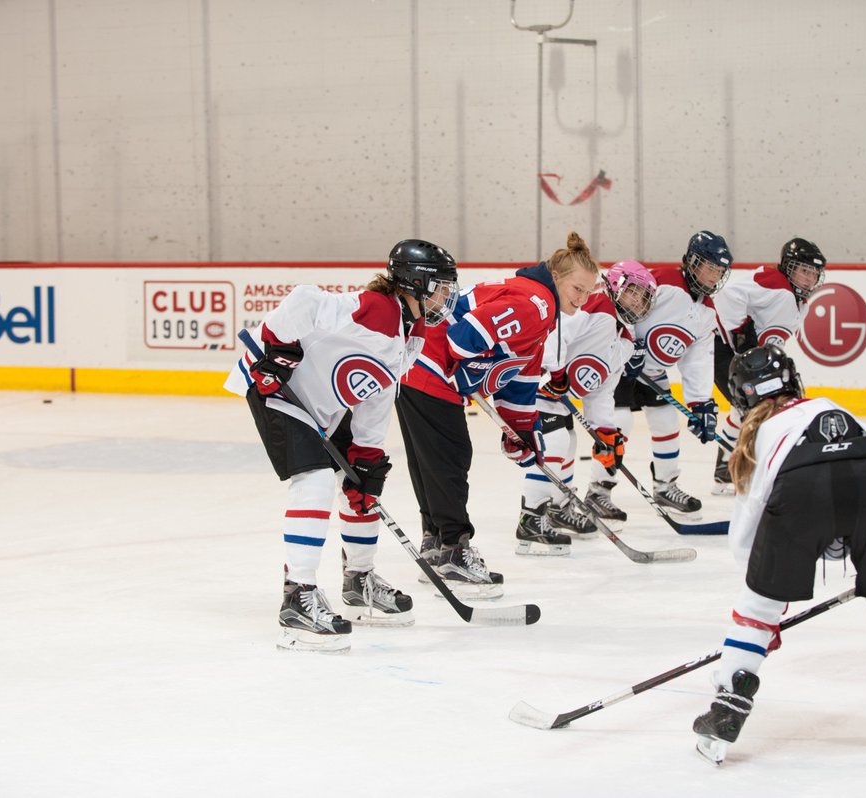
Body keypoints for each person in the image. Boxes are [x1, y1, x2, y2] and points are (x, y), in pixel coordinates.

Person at [692, 344, 866, 764]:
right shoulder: (834, 408)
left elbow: (746, 528)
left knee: (757, 605)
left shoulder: (760, 436)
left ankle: (728, 708)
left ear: (741, 396)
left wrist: (765, 607)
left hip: (801, 493)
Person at [224, 239, 459, 653]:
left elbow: (376, 393)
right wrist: (276, 349)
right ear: (415, 282)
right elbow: (303, 300)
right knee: (314, 480)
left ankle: (359, 580)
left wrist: (366, 454)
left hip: (324, 405)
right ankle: (298, 597)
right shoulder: (376, 309)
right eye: (440, 286)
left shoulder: (412, 333)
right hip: (277, 389)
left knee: (363, 481)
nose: (446, 296)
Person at [396, 231, 600, 593]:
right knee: (450, 460)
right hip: (430, 371)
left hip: (416, 369)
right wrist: (469, 366)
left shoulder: (543, 311)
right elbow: (464, 338)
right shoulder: (536, 303)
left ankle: (436, 542)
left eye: (588, 292)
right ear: (556, 277)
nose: (582, 300)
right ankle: (454, 549)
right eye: (577, 289)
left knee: (432, 463)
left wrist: (522, 431)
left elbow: (520, 379)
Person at [516, 260, 658, 553]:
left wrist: (605, 430)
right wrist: (550, 371)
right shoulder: (596, 306)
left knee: (566, 442)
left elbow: (602, 391)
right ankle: (530, 520)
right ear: (616, 286)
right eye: (634, 292)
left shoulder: (625, 341)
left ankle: (556, 507)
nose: (638, 301)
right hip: (533, 380)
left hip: (555, 396)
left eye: (644, 297)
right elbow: (555, 331)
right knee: (553, 441)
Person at [597, 231, 733, 522]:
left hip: (653, 372)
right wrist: (629, 342)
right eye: (709, 267)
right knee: (618, 424)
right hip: (620, 364)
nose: (713, 275)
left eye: (719, 270)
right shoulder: (665, 283)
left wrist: (701, 403)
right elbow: (623, 302)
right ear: (692, 262)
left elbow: (698, 360)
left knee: (667, 419)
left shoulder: (707, 313)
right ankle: (599, 491)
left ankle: (665, 486)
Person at [710, 237, 827, 494]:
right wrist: (739, 334)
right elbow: (729, 294)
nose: (808, 278)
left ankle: (725, 469)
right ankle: (751, 467)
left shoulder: (796, 300)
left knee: (745, 408)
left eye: (813, 273)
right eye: (803, 270)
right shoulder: (778, 286)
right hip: (722, 350)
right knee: (759, 409)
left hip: (741, 356)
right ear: (788, 267)